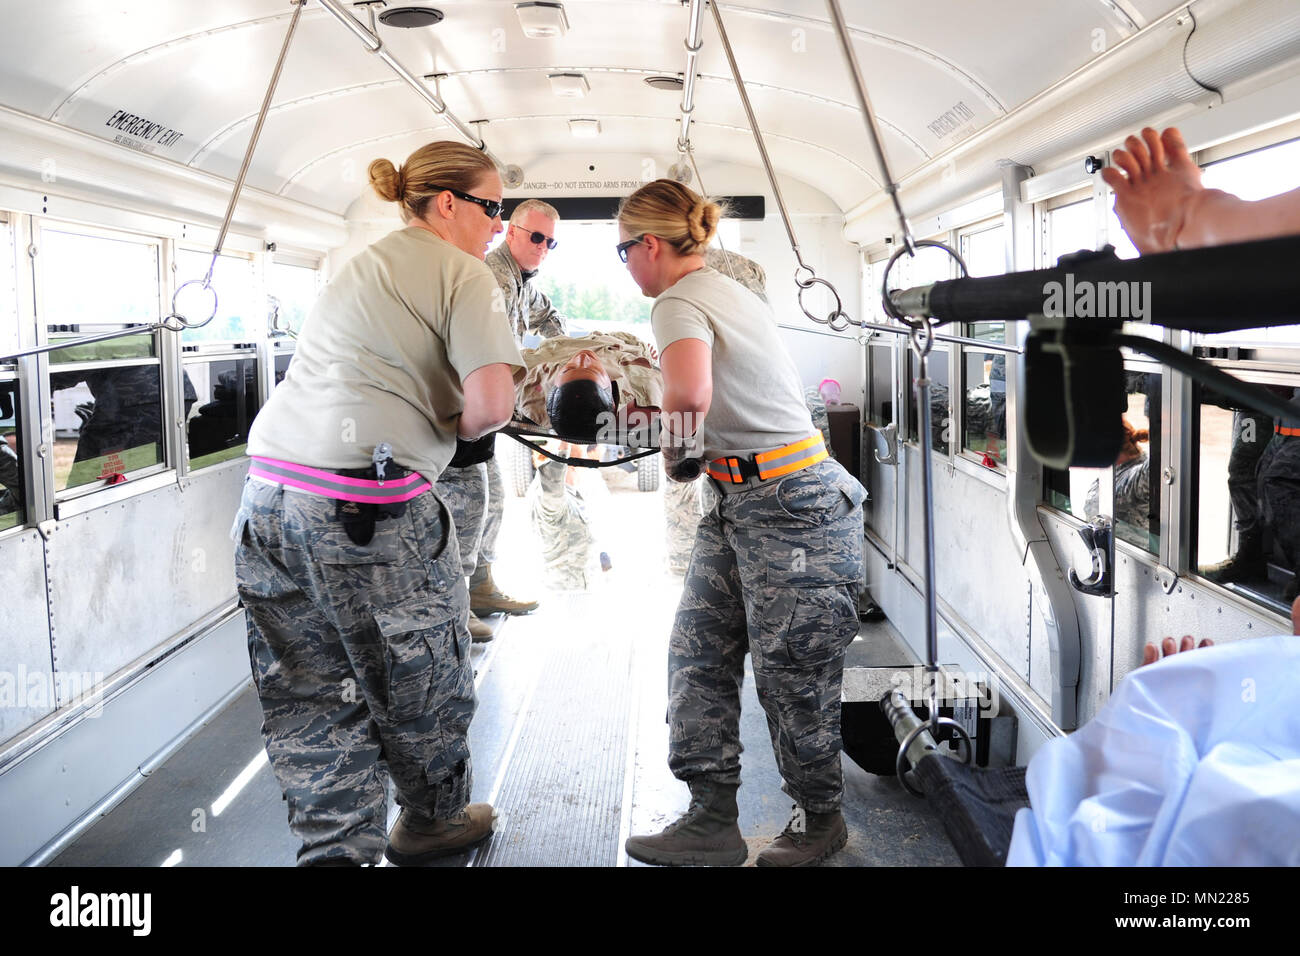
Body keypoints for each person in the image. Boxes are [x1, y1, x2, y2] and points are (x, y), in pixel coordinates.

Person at [232, 141, 523, 866]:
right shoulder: (466, 273)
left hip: (268, 496)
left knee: (306, 690)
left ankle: (335, 853)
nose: (497, 225)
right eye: (491, 208)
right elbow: (491, 407)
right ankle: (431, 823)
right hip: (365, 513)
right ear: (448, 203)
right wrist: (432, 428)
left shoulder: (358, 263)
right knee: (420, 673)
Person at [617, 180, 867, 867]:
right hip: (740, 502)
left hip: (791, 505)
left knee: (793, 674)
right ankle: (710, 819)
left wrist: (675, 453)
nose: (628, 268)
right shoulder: (725, 287)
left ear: (648, 246)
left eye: (623, 254)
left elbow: (689, 396)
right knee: (696, 652)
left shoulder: (678, 298)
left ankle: (822, 821)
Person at [442, 199, 572, 633]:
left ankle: (478, 587)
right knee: (468, 505)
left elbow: (548, 315)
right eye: (536, 237)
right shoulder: (490, 277)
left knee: (491, 500)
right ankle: (455, 608)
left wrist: (567, 352)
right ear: (511, 232)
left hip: (484, 412)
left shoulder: (520, 282)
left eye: (551, 242)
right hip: (460, 411)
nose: (543, 248)